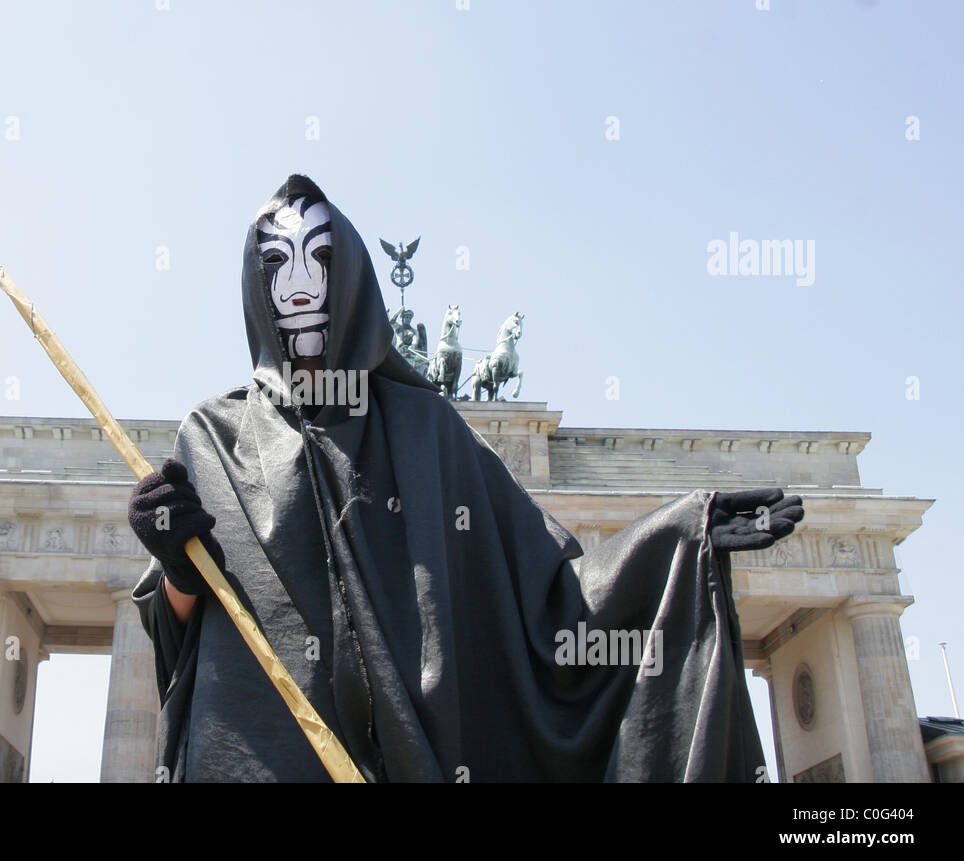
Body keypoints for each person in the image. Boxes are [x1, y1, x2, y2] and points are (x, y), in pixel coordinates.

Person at [129, 174, 802, 782]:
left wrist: (680, 542)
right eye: (275, 262)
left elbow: (549, 606)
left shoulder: (426, 427)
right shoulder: (214, 434)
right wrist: (179, 571)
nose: (299, 285)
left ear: (355, 277)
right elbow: (176, 643)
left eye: (322, 259)